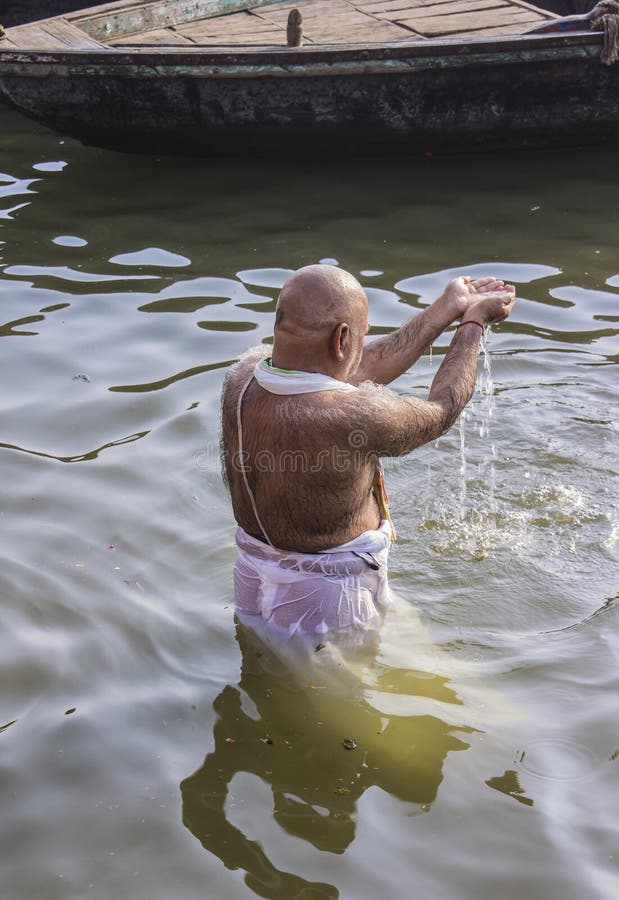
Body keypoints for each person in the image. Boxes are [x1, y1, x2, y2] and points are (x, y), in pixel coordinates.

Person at [220, 264, 515, 636]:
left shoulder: (241, 378)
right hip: (327, 602)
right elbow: (442, 409)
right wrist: (473, 325)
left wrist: (447, 307)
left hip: (251, 578)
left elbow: (351, 369)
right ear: (342, 338)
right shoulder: (349, 416)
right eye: (361, 335)